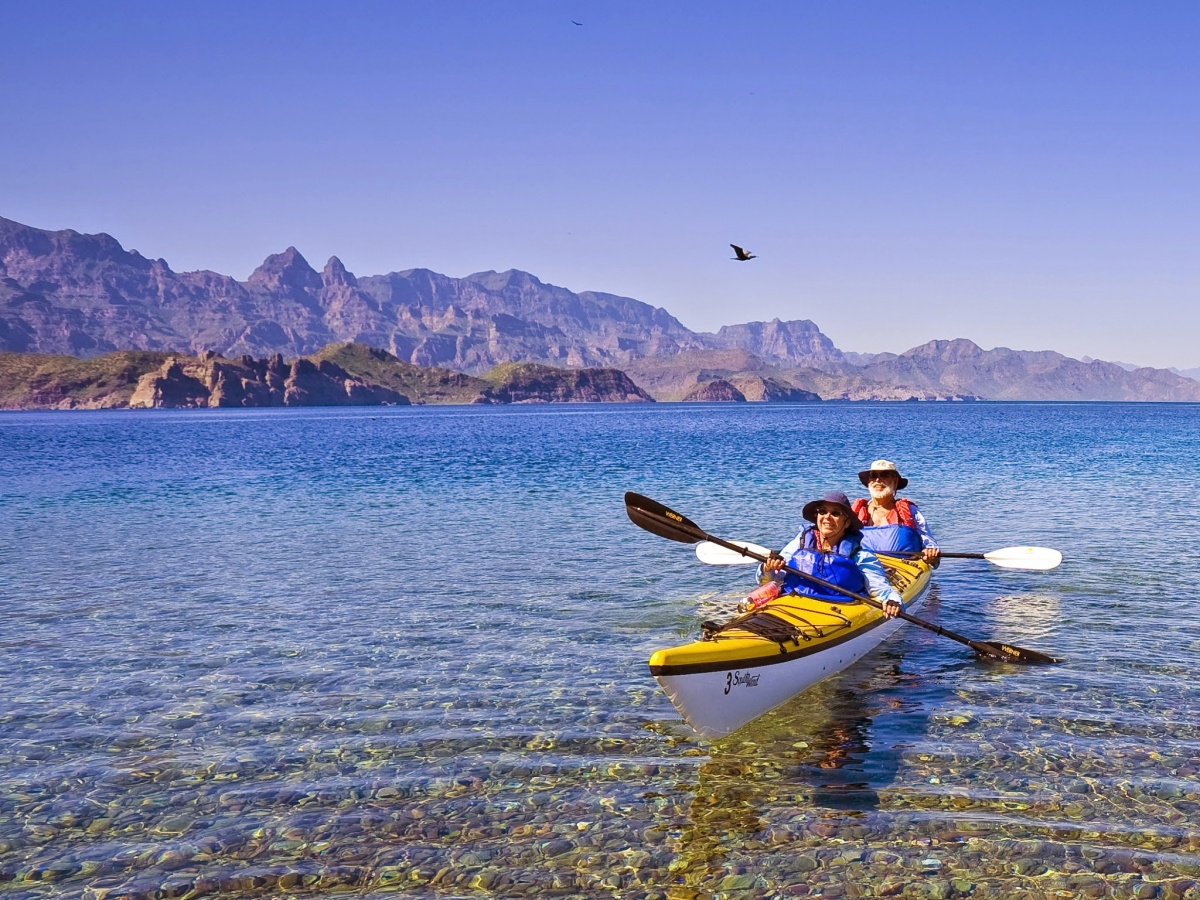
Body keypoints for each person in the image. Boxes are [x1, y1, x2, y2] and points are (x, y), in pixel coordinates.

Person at [754, 491, 906, 618]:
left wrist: (892, 601)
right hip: (792, 604)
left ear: (846, 522)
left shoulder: (859, 555)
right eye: (822, 511)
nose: (827, 517)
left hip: (837, 610)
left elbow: (879, 587)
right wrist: (769, 568)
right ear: (817, 516)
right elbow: (768, 579)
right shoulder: (799, 543)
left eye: (835, 513)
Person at [852, 460, 940, 565]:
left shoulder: (911, 512)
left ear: (895, 481)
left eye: (884, 475)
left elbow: (929, 545)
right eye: (873, 475)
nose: (878, 480)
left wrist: (930, 553)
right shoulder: (856, 513)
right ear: (868, 481)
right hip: (863, 565)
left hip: (903, 568)